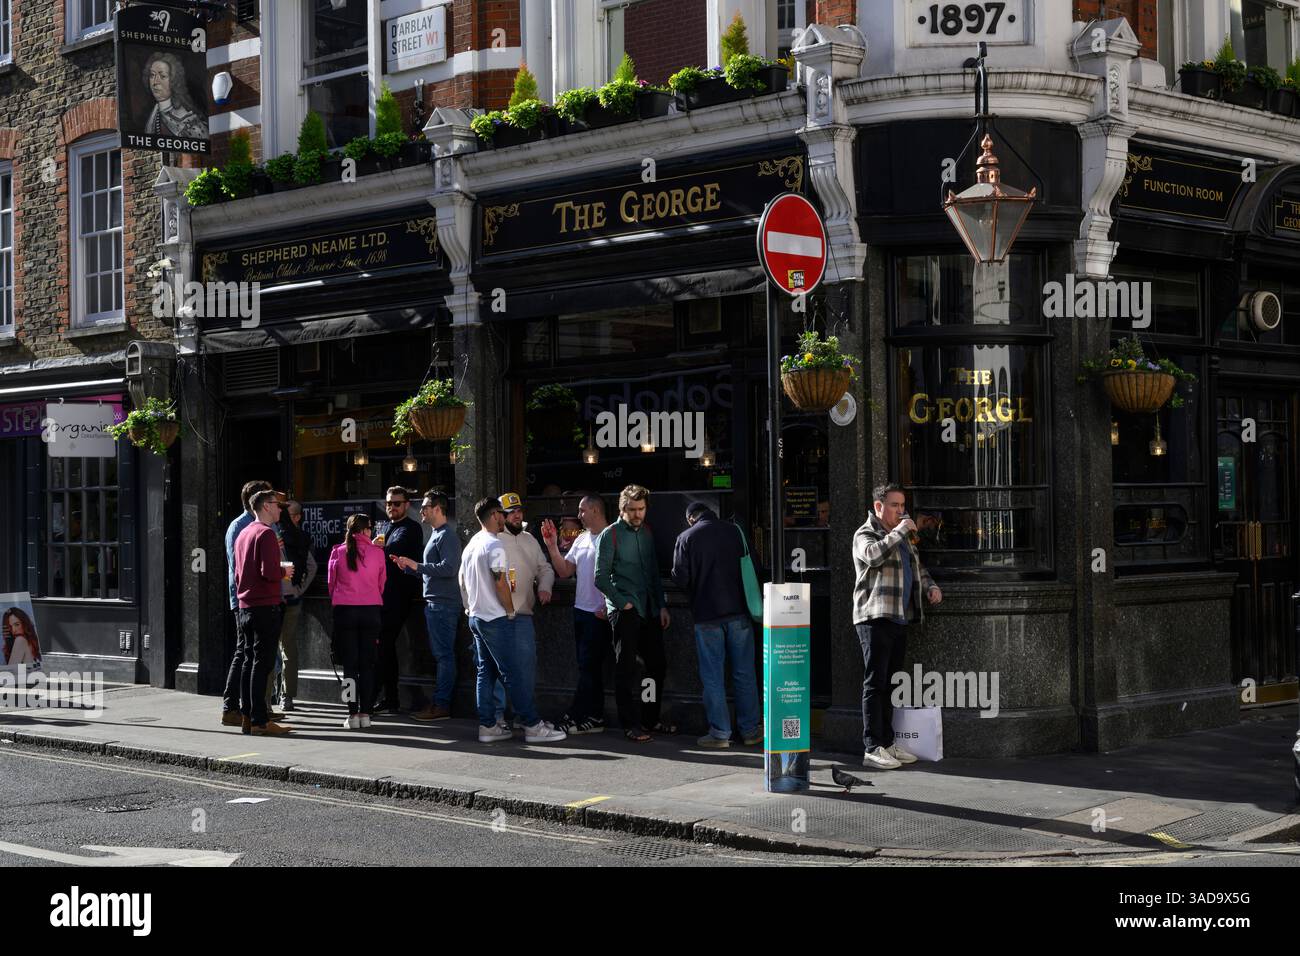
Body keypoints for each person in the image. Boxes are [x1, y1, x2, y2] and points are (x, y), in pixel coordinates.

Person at [458, 497, 565, 744]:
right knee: (513, 673)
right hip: (496, 616)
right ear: (495, 514)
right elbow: (500, 583)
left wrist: (469, 608)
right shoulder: (494, 544)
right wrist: (509, 611)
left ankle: (488, 725)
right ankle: (532, 724)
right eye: (503, 513)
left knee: (486, 672)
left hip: (477, 616)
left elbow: (463, 581)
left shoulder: (473, 543)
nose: (507, 518)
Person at [853, 482, 943, 770]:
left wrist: (930, 587)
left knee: (890, 684)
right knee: (874, 683)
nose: (901, 511)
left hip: (899, 617)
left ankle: (888, 743)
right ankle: (872, 747)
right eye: (895, 505)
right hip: (875, 616)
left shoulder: (903, 538)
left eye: (903, 506)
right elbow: (873, 556)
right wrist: (900, 531)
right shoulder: (865, 533)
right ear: (879, 507)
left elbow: (917, 567)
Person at [671, 502, 761, 749]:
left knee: (712, 677)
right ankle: (751, 730)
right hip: (739, 613)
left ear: (691, 518)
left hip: (707, 615)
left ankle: (720, 733)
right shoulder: (735, 531)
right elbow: (755, 565)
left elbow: (680, 578)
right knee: (744, 674)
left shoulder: (685, 537)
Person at [594, 484, 674, 743]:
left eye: (641, 509)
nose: (637, 514)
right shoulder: (611, 535)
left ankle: (650, 719)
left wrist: (660, 604)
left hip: (649, 607)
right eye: (632, 510)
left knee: (656, 665)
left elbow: (652, 573)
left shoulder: (647, 533)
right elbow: (600, 578)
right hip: (625, 609)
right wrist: (621, 603)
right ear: (622, 509)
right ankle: (630, 724)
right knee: (625, 668)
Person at [541, 495, 611, 735]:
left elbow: (622, 574)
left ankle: (580, 714)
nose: (579, 516)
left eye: (582, 511)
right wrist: (551, 546)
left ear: (594, 510)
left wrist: (608, 604)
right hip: (581, 609)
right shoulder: (582, 538)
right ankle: (593, 716)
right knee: (586, 666)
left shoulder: (611, 536)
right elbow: (564, 571)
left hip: (600, 612)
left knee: (590, 666)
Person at [393, 491, 461, 721]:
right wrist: (409, 567)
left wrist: (418, 566)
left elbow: (449, 568)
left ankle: (442, 704)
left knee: (444, 656)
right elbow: (434, 570)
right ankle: (441, 703)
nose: (421, 510)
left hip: (443, 604)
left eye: (425, 506)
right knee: (442, 655)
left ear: (438, 508)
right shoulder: (435, 534)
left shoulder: (447, 536)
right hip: (436, 603)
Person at [494, 492, 554, 730]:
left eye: (519, 510)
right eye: (511, 512)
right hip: (496, 613)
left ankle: (524, 716)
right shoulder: (492, 539)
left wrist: (545, 587)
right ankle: (497, 717)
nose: (518, 515)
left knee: (526, 668)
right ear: (501, 515)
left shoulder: (530, 539)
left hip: (523, 615)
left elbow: (545, 568)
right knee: (495, 669)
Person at [233, 490, 291, 736]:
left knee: (249, 661)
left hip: (245, 606)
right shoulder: (266, 534)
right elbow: (269, 572)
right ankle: (259, 720)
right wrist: (283, 573)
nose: (280, 510)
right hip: (265, 605)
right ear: (266, 506)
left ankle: (247, 716)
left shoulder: (243, 533)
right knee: (262, 663)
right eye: (277, 505)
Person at [221, 479, 272, 727]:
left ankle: (250, 708)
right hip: (244, 597)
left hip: (247, 596)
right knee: (244, 652)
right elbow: (238, 566)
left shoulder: (252, 525)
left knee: (247, 653)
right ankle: (232, 707)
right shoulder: (240, 527)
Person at [328, 513, 386, 730]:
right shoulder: (377, 553)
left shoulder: (337, 552)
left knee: (349, 667)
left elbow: (331, 584)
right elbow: (382, 584)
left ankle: (351, 713)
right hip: (371, 611)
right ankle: (366, 713)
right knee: (368, 665)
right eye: (369, 528)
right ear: (364, 530)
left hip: (345, 611)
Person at [374, 486, 425, 713]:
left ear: (406, 505)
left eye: (396, 503)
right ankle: (388, 698)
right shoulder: (387, 526)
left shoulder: (411, 528)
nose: (391, 507)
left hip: (399, 597)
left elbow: (390, 551)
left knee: (385, 645)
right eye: (388, 503)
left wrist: (378, 547)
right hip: (382, 596)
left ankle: (387, 699)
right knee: (383, 648)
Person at [276, 499, 317, 712]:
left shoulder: (278, 536)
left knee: (274, 648)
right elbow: (311, 566)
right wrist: (297, 589)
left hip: (277, 599)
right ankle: (286, 696)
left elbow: (285, 566)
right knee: (288, 647)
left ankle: (275, 698)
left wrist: (289, 588)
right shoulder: (300, 538)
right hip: (291, 598)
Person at [141, 51, 207, 139]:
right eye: (152, 75)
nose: (155, 82)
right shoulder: (153, 116)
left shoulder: (189, 120)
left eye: (163, 76)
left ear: (174, 80)